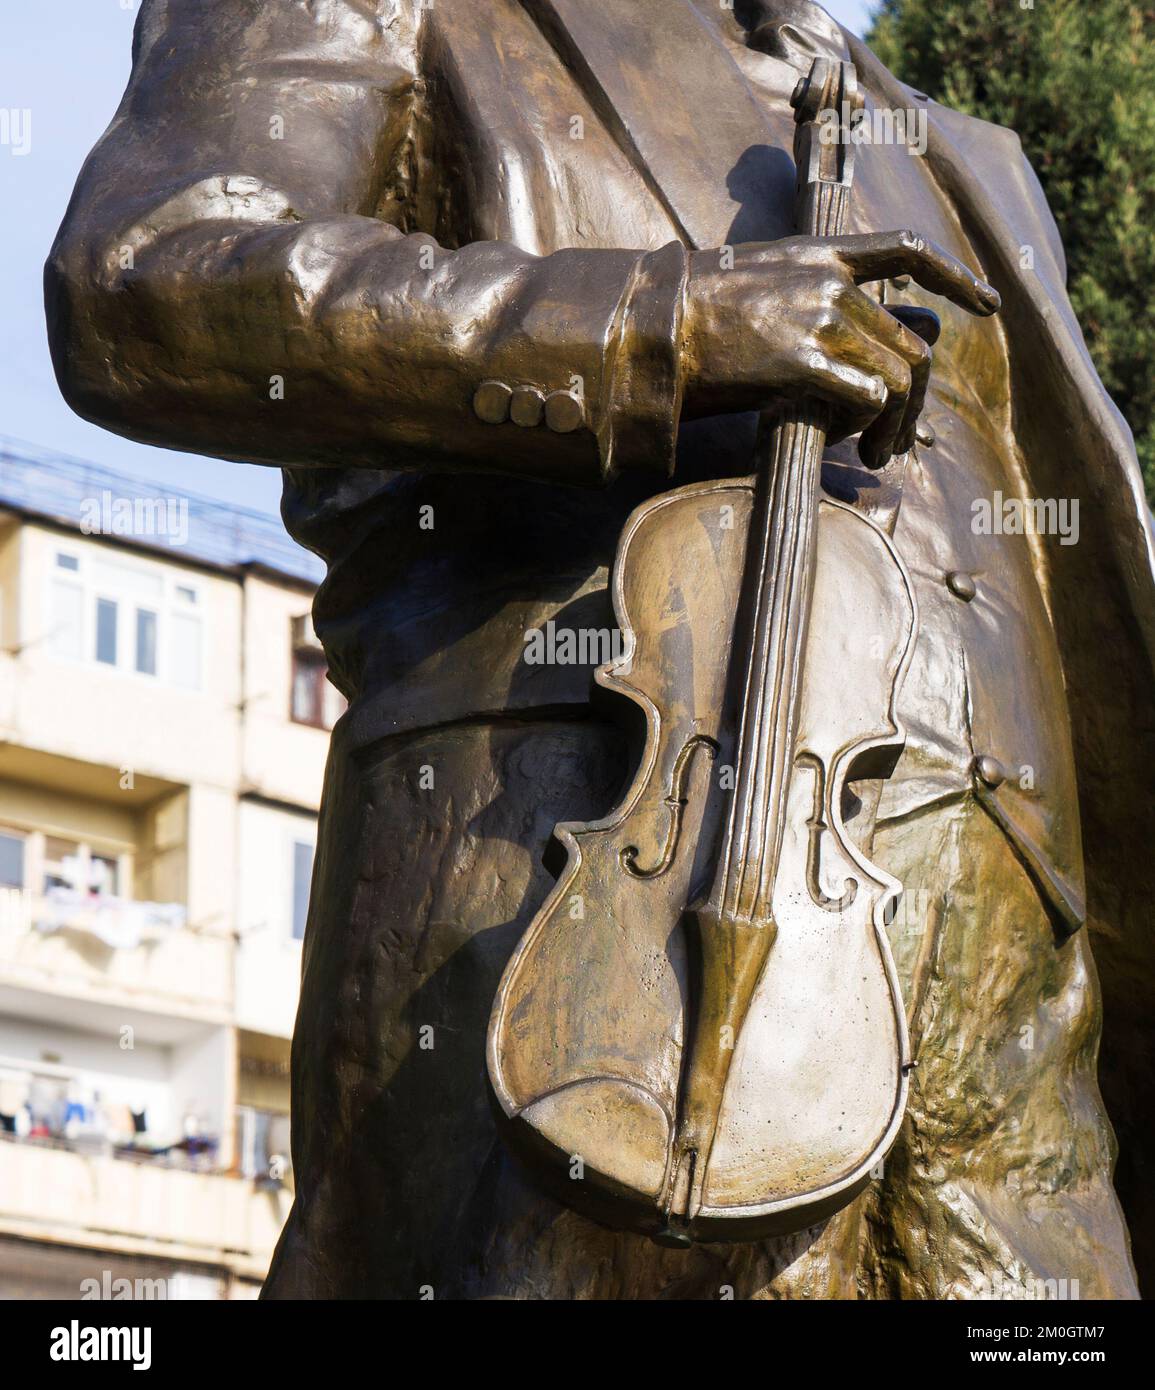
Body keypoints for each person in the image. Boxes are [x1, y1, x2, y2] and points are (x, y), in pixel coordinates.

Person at [47, 0, 1154, 1298]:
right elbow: (151, 274)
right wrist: (661, 327)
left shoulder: (971, 154)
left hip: (1009, 1020)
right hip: (589, 931)